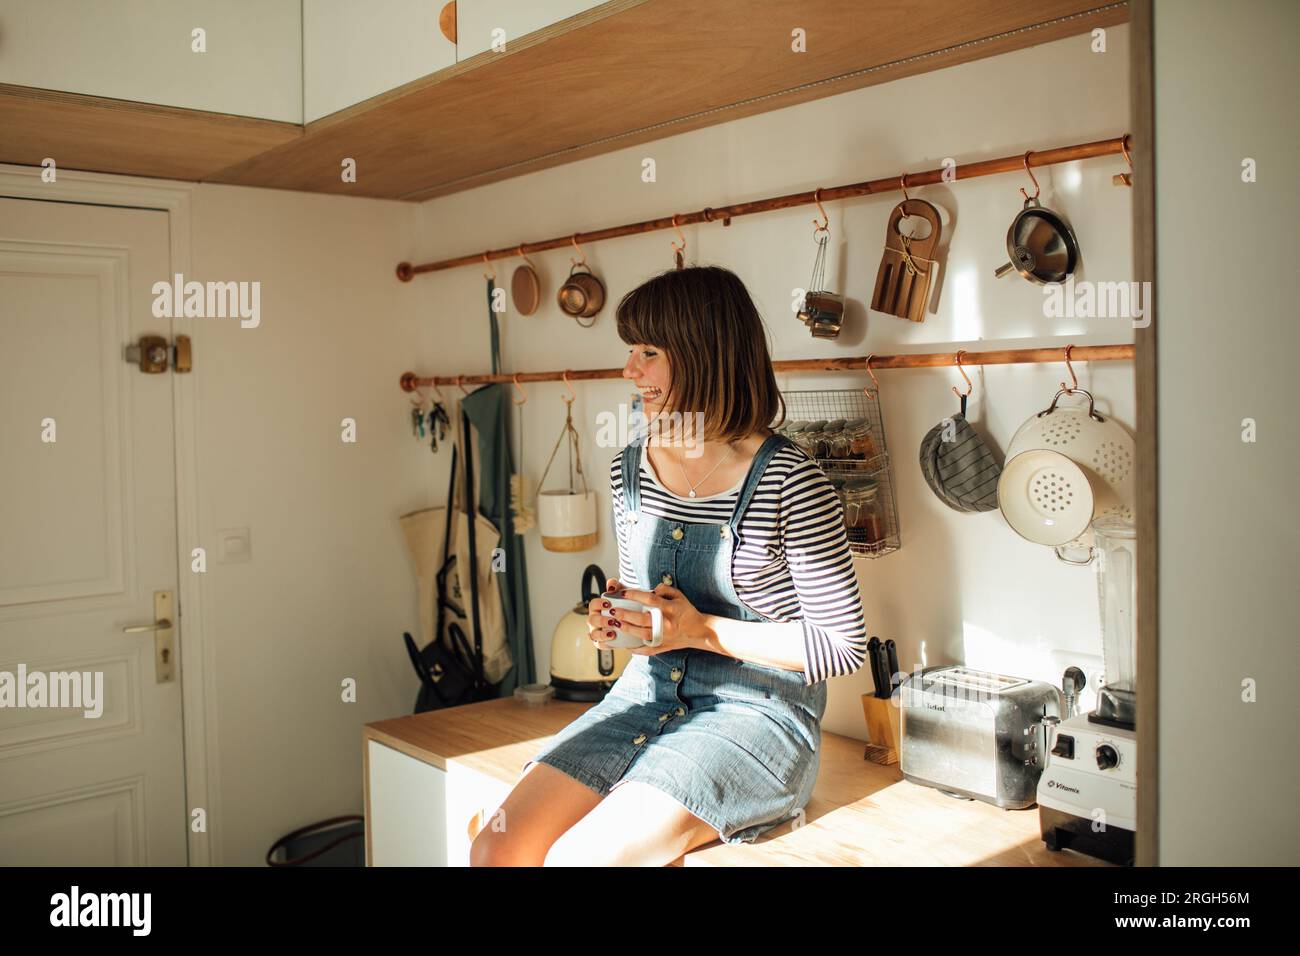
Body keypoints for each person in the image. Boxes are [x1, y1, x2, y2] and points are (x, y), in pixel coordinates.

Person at [470, 265, 867, 866]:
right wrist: (625, 624)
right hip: (644, 697)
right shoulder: (630, 470)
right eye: (631, 352)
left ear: (704, 354)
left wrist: (700, 630)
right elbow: (648, 626)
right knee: (496, 846)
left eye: (648, 353)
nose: (630, 371)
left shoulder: (790, 479)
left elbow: (842, 648)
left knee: (587, 858)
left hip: (755, 717)